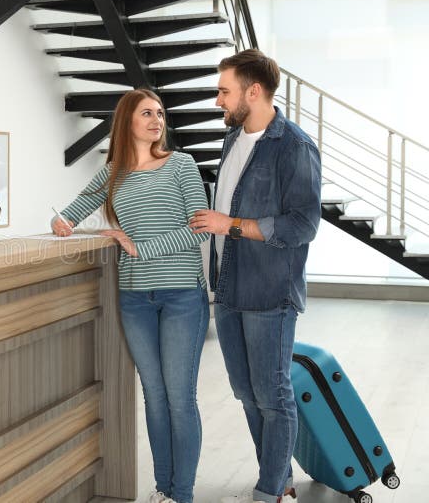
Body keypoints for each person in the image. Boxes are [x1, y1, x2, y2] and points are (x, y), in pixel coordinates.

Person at [53, 89, 210, 503]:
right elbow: (76, 208)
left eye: (160, 113)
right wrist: (62, 221)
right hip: (135, 297)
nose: (157, 120)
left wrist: (141, 248)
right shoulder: (113, 173)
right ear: (128, 121)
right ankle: (163, 490)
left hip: (182, 294)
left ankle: (182, 495)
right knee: (154, 396)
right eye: (147, 113)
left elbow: (200, 227)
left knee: (180, 398)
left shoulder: (181, 164)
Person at [189, 49, 321, 503]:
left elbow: (303, 224)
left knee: (272, 396)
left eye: (223, 91)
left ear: (254, 92)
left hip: (269, 291)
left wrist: (231, 226)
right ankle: (279, 480)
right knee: (246, 393)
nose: (217, 100)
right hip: (227, 287)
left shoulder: (294, 147)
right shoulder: (232, 140)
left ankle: (270, 491)